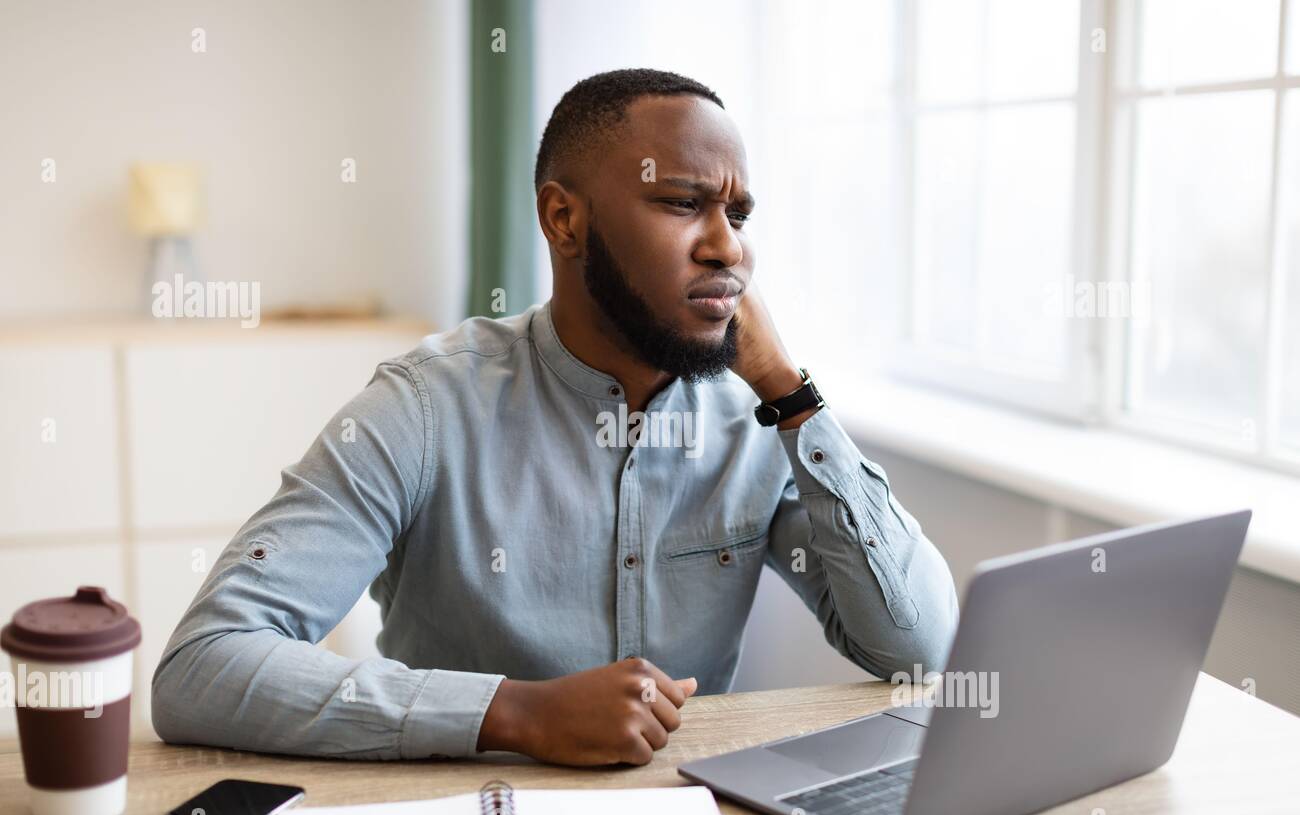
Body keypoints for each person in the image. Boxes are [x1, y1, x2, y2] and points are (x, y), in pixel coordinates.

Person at [152, 68, 959, 766]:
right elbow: (203, 667)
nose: (728, 248)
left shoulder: (758, 417)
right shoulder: (425, 406)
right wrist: (517, 713)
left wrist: (790, 390)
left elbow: (916, 650)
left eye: (738, 216)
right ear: (563, 219)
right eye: (683, 203)